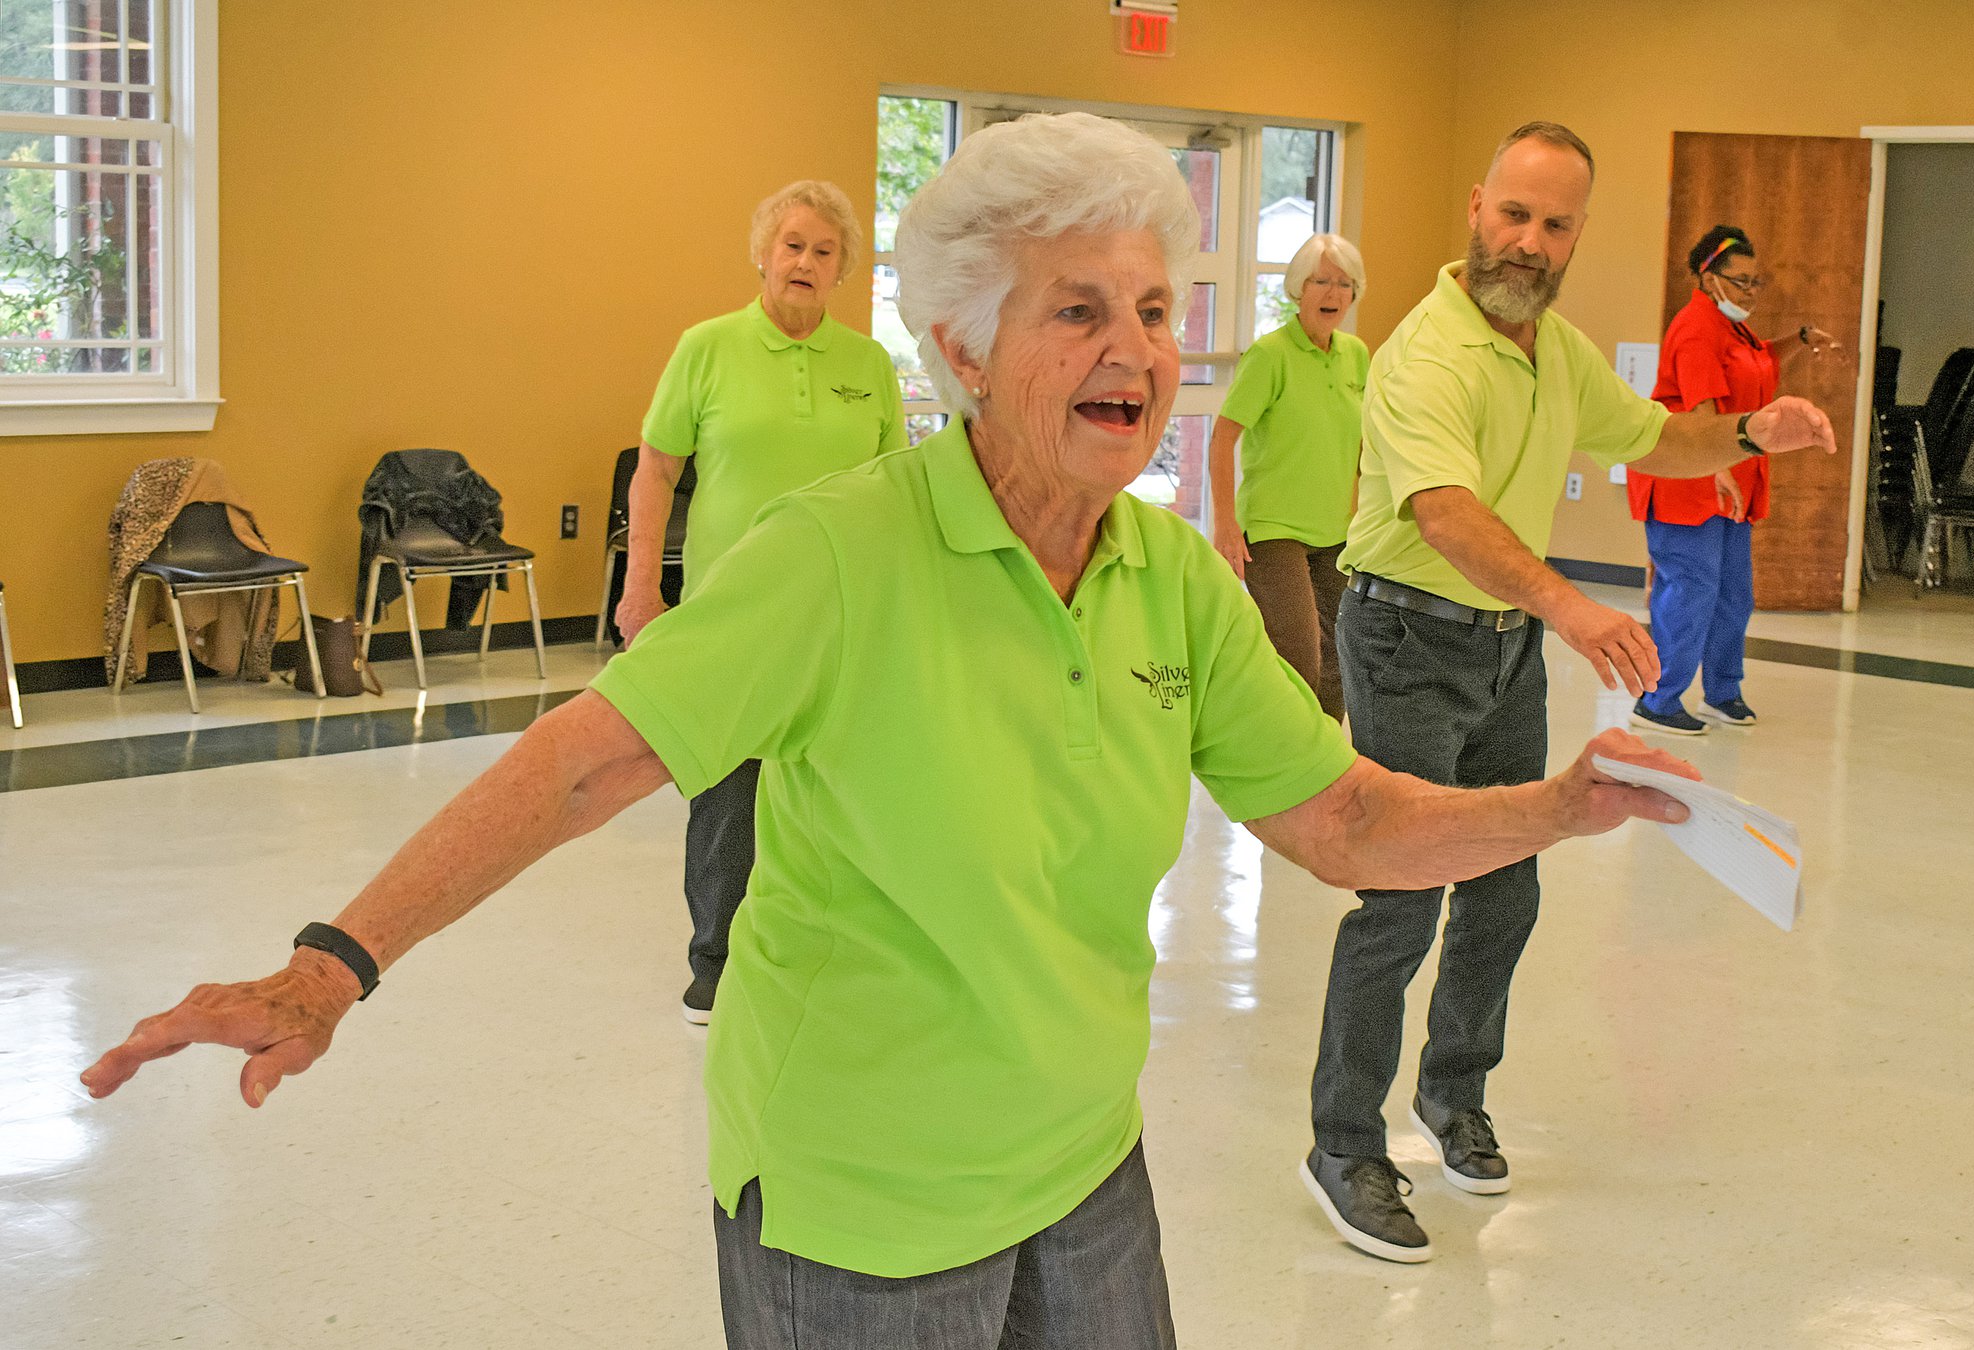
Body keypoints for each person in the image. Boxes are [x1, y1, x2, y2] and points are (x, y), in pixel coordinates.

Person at [83, 113, 1705, 1350]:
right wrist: (332, 964)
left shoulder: (1168, 582)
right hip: (855, 1209)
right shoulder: (841, 552)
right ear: (962, 348)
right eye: (1078, 312)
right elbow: (585, 757)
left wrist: (1563, 806)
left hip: (1083, 1170)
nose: (1134, 350)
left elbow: (1345, 825)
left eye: (1150, 307)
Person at [1302, 123, 1837, 1266]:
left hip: (1496, 647)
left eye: (1552, 224)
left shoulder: (1554, 350)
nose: (1527, 242)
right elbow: (1444, 513)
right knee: (1399, 896)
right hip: (1405, 634)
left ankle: (1452, 1096)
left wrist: (1750, 430)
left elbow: (1653, 437)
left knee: (1504, 888)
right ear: (1473, 207)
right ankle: (1345, 1143)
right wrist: (1573, 608)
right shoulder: (1425, 353)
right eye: (1512, 214)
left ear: (1575, 234)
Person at [614, 179, 907, 1023]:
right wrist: (642, 588)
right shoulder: (706, 349)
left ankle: (831, 948)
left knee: (842, 785)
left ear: (843, 267)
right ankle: (716, 961)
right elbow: (657, 470)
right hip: (731, 608)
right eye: (792, 245)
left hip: (847, 609)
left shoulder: (868, 365)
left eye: (823, 251)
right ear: (761, 253)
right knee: (727, 791)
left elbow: (894, 488)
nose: (805, 262)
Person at [1627, 224, 1841, 735]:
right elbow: (1701, 415)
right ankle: (1657, 701)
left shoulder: (1734, 329)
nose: (1749, 291)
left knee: (1732, 594)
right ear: (1707, 277)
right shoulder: (1697, 326)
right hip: (1691, 479)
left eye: (1755, 281)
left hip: (1730, 480)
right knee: (1690, 588)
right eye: (1740, 280)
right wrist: (1715, 468)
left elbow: (1761, 361)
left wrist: (1801, 339)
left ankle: (1722, 691)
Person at [1210, 233, 1370, 717]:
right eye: (1320, 281)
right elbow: (1222, 439)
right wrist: (1225, 525)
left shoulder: (1356, 355)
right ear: (1298, 289)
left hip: (1336, 532)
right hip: (1274, 530)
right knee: (1299, 657)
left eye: (1344, 284)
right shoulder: (1270, 355)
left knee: (1341, 656)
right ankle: (1284, 761)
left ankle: (1325, 768)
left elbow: (1362, 442)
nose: (1333, 294)